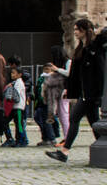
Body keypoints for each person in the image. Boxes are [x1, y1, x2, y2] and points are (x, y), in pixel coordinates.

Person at [46, 18, 107, 163]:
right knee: (94, 123)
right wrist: (70, 88)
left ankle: (65, 152)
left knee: (74, 117)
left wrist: (96, 93)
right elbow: (76, 73)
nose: (74, 32)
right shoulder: (82, 49)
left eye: (76, 30)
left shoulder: (94, 48)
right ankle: (103, 150)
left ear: (84, 30)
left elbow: (99, 72)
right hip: (86, 92)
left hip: (91, 94)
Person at [41, 45, 70, 143]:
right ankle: (66, 136)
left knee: (64, 114)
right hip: (59, 90)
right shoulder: (59, 64)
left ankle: (68, 137)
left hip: (65, 90)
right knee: (61, 115)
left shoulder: (67, 62)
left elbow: (69, 73)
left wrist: (57, 69)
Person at [3, 64, 28, 146]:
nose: (12, 75)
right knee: (5, 122)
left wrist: (10, 87)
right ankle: (10, 138)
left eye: (14, 73)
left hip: (18, 107)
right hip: (13, 107)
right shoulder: (14, 82)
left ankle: (21, 140)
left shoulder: (19, 83)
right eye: (11, 73)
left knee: (19, 125)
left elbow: (15, 94)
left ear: (19, 74)